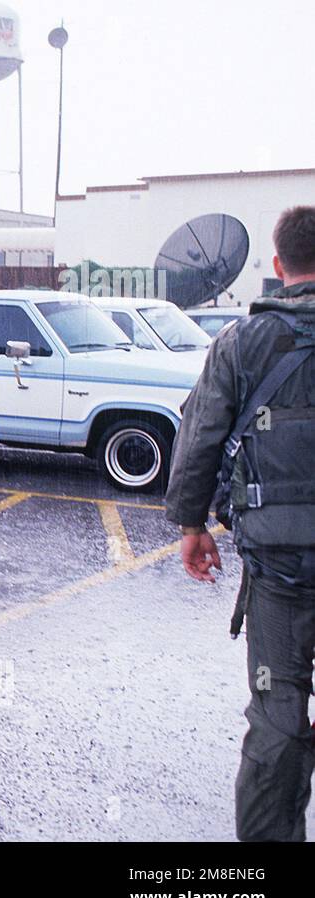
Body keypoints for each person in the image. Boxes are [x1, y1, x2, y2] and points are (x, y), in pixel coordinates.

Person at [165, 205, 315, 842]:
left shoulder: (239, 342)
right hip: (278, 558)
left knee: (278, 717)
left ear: (278, 267)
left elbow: (200, 438)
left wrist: (191, 524)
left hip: (279, 565)